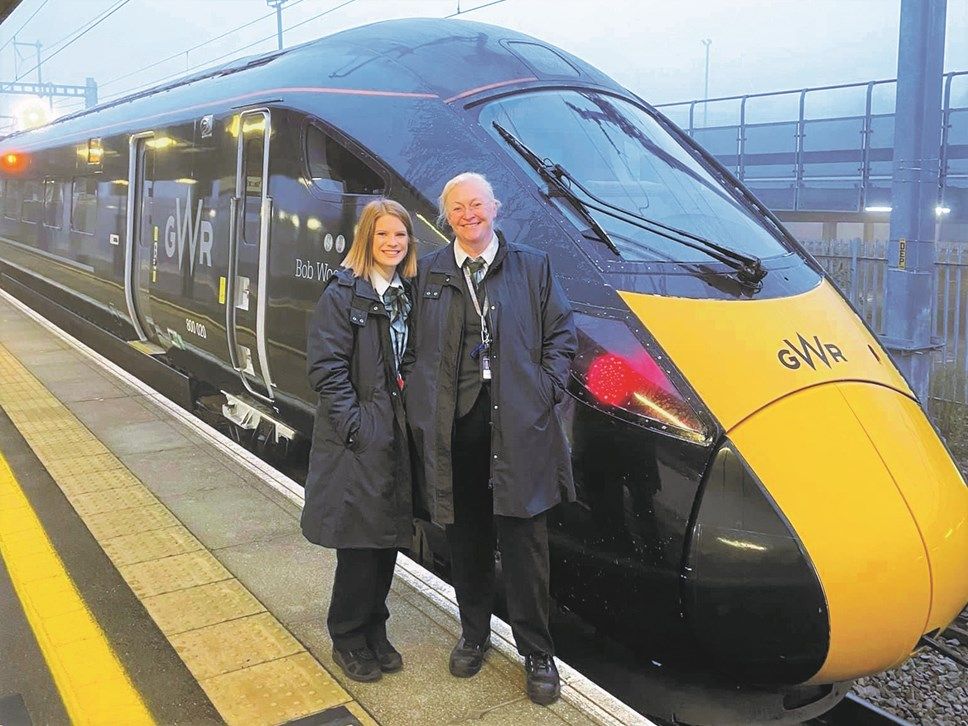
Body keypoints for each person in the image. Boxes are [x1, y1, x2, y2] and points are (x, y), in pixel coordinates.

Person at [402, 172, 577, 705]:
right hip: (453, 430)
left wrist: (544, 390)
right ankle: (474, 634)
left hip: (517, 429)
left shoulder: (532, 266)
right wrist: (416, 396)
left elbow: (561, 334)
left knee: (525, 544)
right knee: (467, 538)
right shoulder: (429, 270)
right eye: (457, 208)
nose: (468, 214)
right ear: (446, 217)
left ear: (495, 208)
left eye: (476, 204)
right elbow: (406, 340)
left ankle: (537, 652)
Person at [301, 199, 417, 683]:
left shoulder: (405, 293)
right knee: (358, 542)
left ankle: (375, 627)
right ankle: (347, 636)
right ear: (365, 239)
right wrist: (358, 425)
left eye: (401, 236)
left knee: (386, 538)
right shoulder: (344, 293)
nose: (392, 244)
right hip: (360, 435)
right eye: (383, 235)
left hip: (394, 432)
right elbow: (325, 368)